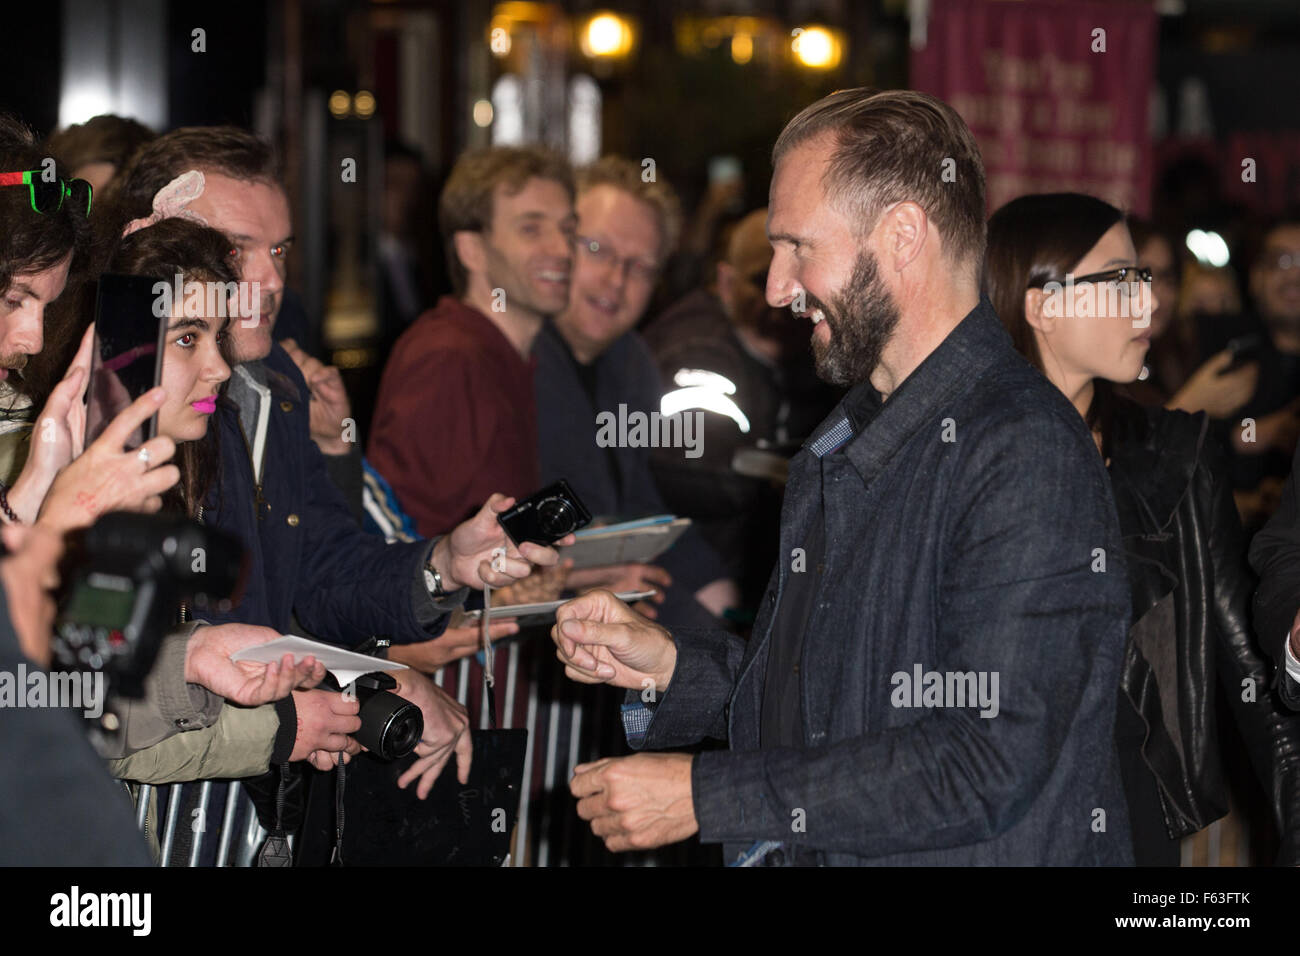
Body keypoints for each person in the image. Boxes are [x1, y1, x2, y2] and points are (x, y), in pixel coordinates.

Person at [551, 88, 1133, 866]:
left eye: (798, 247)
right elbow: (832, 703)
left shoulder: (1022, 450)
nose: (775, 287)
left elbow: (986, 762)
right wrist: (671, 664)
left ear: (901, 237)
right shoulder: (852, 432)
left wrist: (705, 794)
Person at [985, 191, 1300, 867]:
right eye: (1120, 279)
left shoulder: (1172, 454)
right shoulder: (956, 456)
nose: (1146, 301)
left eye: (1147, 279)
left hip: (1128, 820)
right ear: (1041, 305)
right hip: (984, 823)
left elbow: (1246, 658)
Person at [532, 155, 736, 626]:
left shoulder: (633, 361)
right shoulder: (510, 353)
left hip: (608, 597)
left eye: (641, 268)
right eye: (598, 249)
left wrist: (716, 591)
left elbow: (642, 507)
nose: (616, 281)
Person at [644, 207, 839, 608]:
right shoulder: (693, 351)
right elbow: (691, 474)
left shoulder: (814, 347)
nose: (783, 292)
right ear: (726, 283)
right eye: (761, 276)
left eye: (801, 276)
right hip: (695, 581)